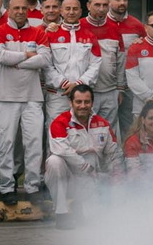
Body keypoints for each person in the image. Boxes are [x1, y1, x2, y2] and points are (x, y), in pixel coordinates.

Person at [0, 0, 50, 220]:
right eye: (16, 8)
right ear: (9, 9)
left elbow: (44, 60)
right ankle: (6, 187)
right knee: (5, 144)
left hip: (33, 97)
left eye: (24, 8)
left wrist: (16, 61)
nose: (21, 11)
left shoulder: (38, 32)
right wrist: (26, 56)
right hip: (5, 97)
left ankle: (33, 187)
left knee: (34, 144)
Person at [45, 84, 119, 221]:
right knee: (54, 161)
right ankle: (61, 213)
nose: (83, 106)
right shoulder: (59, 123)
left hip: (92, 180)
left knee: (94, 223)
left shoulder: (103, 124)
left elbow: (113, 155)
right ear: (70, 103)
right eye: (78, 102)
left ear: (92, 103)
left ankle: (81, 206)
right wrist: (85, 166)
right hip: (68, 180)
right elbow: (61, 150)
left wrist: (116, 180)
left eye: (87, 102)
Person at [76, 0, 128, 136]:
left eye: (104, 5)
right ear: (88, 5)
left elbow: (120, 60)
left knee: (107, 132)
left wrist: (120, 88)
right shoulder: (78, 26)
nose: (101, 8)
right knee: (83, 131)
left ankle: (107, 160)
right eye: (97, 4)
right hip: (85, 91)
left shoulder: (115, 29)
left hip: (110, 91)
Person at [42, 0, 98, 123]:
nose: (71, 12)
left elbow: (95, 64)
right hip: (57, 94)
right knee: (54, 129)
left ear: (80, 11)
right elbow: (46, 64)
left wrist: (78, 84)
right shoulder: (50, 34)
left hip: (83, 95)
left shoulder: (90, 35)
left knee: (82, 129)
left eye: (75, 9)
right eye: (67, 9)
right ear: (61, 11)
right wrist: (64, 84)